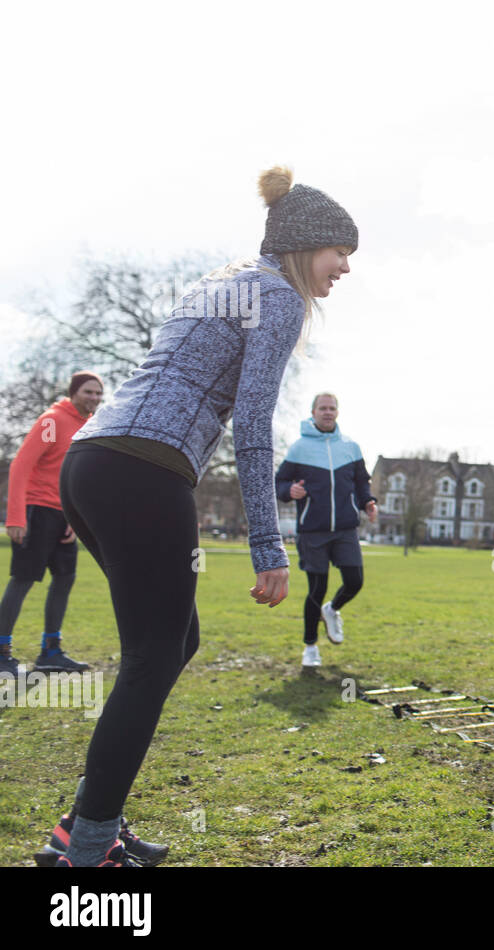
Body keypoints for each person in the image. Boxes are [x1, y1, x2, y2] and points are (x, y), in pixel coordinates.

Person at [43, 166, 357, 866]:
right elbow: (252, 419)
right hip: (144, 469)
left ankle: (90, 820)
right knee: (154, 656)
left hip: (92, 465)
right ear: (307, 244)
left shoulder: (222, 281)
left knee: (170, 645)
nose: (344, 269)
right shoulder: (278, 297)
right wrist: (268, 543)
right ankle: (87, 848)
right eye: (341, 252)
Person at [1, 372, 103, 678]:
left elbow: (78, 478)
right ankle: (1, 651)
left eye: (99, 393)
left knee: (65, 579)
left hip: (64, 517)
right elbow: (21, 465)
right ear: (74, 393)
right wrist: (16, 517)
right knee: (23, 579)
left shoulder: (89, 426)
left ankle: (50, 652)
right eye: (89, 392)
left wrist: (77, 517)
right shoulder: (53, 420)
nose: (94, 398)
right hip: (36, 511)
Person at [275, 393, 376, 667]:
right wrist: (289, 490)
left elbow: (361, 482)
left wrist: (368, 501)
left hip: (345, 528)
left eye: (332, 408)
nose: (328, 412)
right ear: (313, 412)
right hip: (313, 530)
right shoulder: (299, 448)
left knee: (355, 581)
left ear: (337, 413)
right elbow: (280, 482)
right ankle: (310, 647)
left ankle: (332, 610)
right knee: (316, 589)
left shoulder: (351, 447)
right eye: (323, 408)